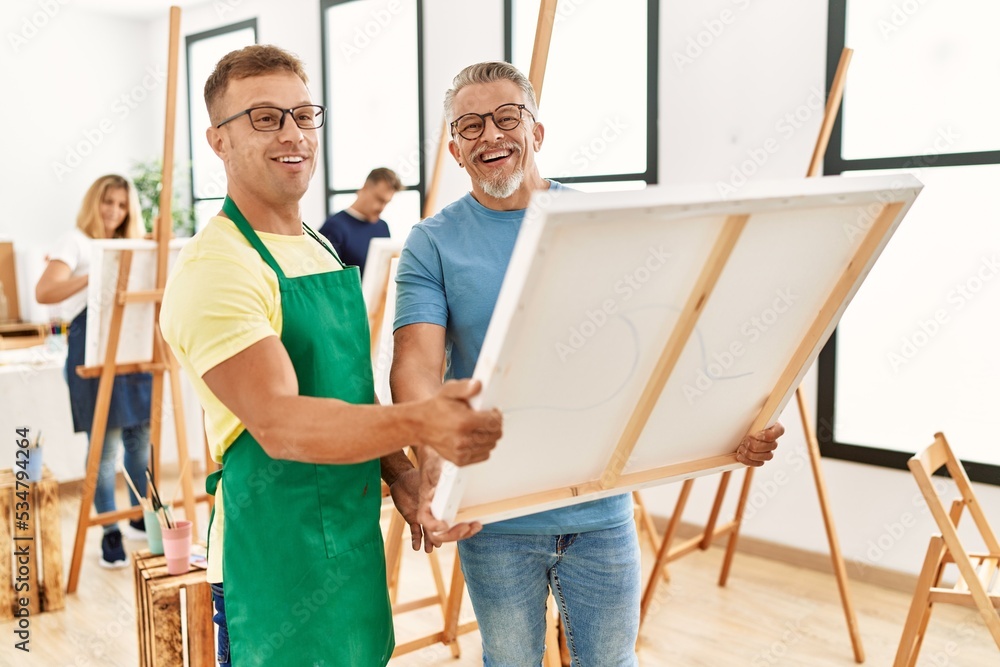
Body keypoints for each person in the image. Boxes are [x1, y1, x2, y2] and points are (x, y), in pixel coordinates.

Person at [390, 61, 785, 664]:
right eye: (471, 126)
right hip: (495, 517)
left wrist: (732, 424)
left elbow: (669, 345)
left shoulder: (600, 224)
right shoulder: (432, 242)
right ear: (455, 149)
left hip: (600, 507)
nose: (490, 136)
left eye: (506, 118)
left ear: (537, 132)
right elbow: (416, 366)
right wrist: (433, 458)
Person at [159, 45, 501, 667]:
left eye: (302, 115)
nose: (292, 134)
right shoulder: (218, 269)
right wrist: (422, 422)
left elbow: (350, 396)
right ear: (218, 141)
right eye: (264, 118)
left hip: (348, 553)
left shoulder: (315, 246)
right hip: (273, 566)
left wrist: (401, 475)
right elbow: (281, 423)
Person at [35, 174, 152, 569]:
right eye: (108, 203)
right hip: (92, 352)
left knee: (141, 441)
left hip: (133, 348)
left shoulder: (131, 243)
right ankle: (109, 530)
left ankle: (139, 514)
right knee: (104, 449)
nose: (114, 212)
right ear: (93, 202)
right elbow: (44, 292)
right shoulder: (76, 242)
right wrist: (99, 273)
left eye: (122, 205)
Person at [318, 167, 403, 276]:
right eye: (379, 199)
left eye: (386, 202)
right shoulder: (333, 227)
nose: (382, 208)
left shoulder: (383, 227)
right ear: (365, 188)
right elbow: (327, 280)